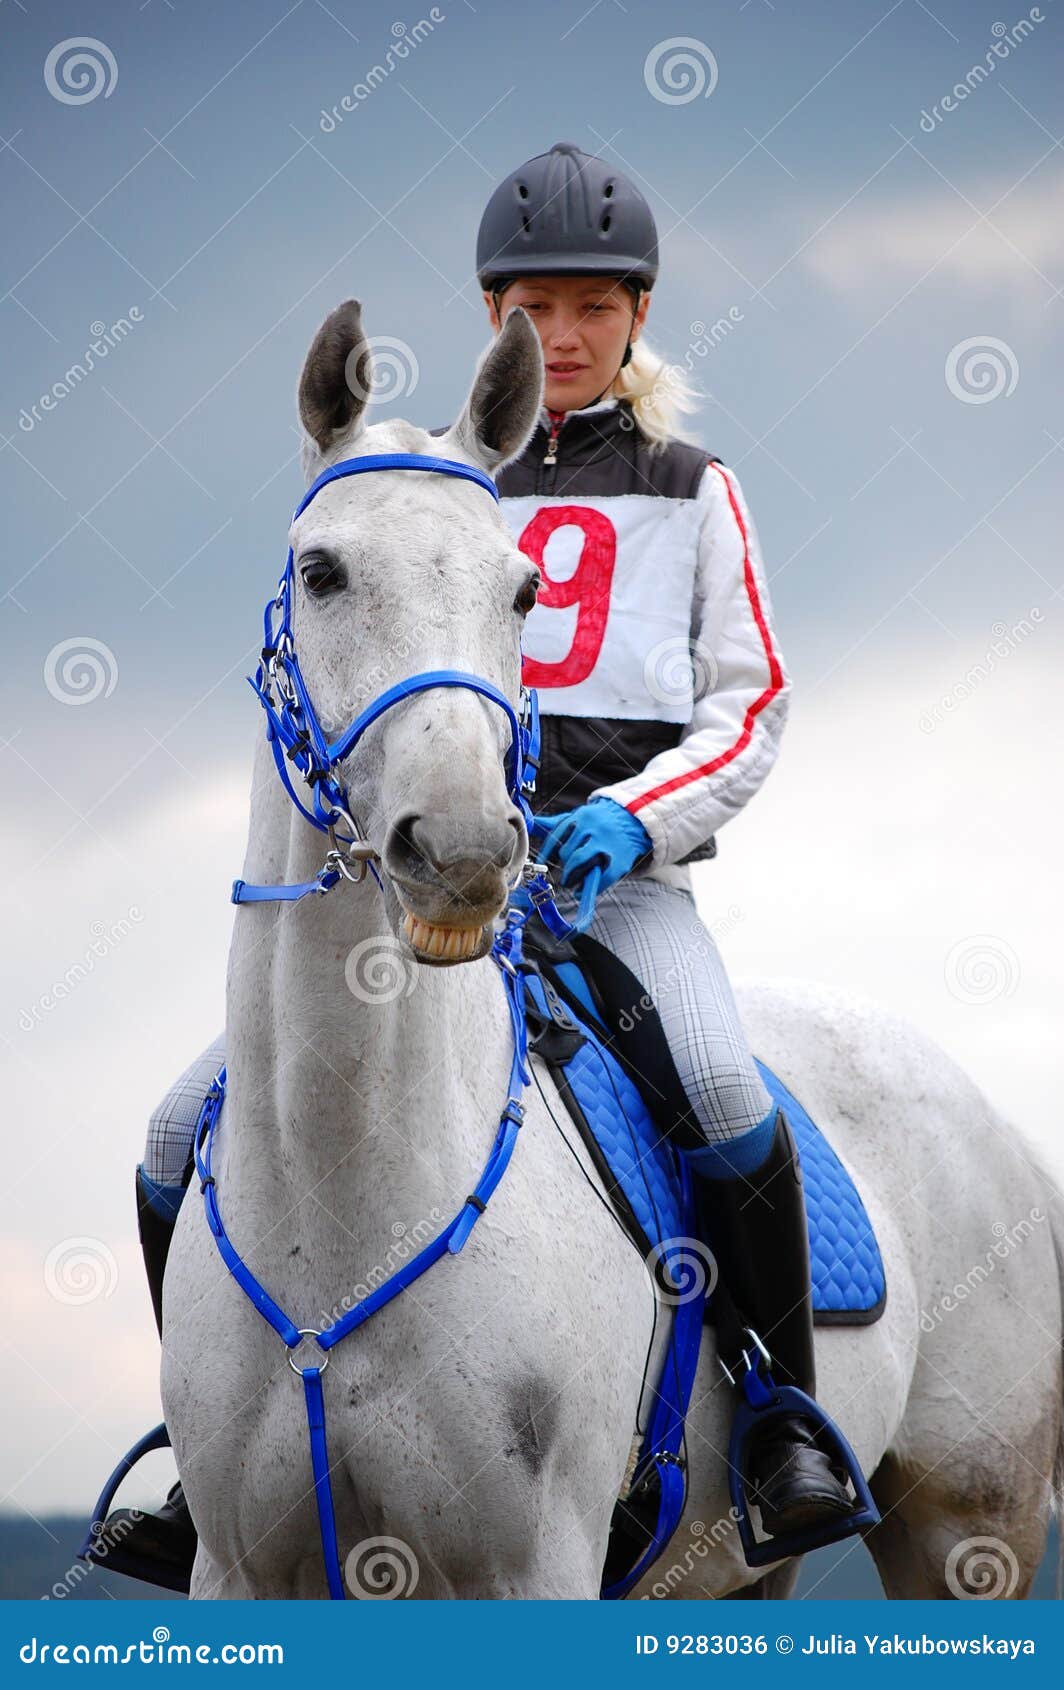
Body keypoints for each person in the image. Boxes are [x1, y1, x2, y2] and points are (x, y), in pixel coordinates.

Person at [103, 141, 857, 1591]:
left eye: (593, 307)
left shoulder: (692, 488)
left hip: (619, 881)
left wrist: (639, 820)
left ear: (636, 316)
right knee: (172, 1128)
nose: (565, 335)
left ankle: (779, 1418)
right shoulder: (435, 486)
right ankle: (206, 1452)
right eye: (537, 308)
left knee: (716, 1080)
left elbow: (749, 703)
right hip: (433, 884)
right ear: (498, 320)